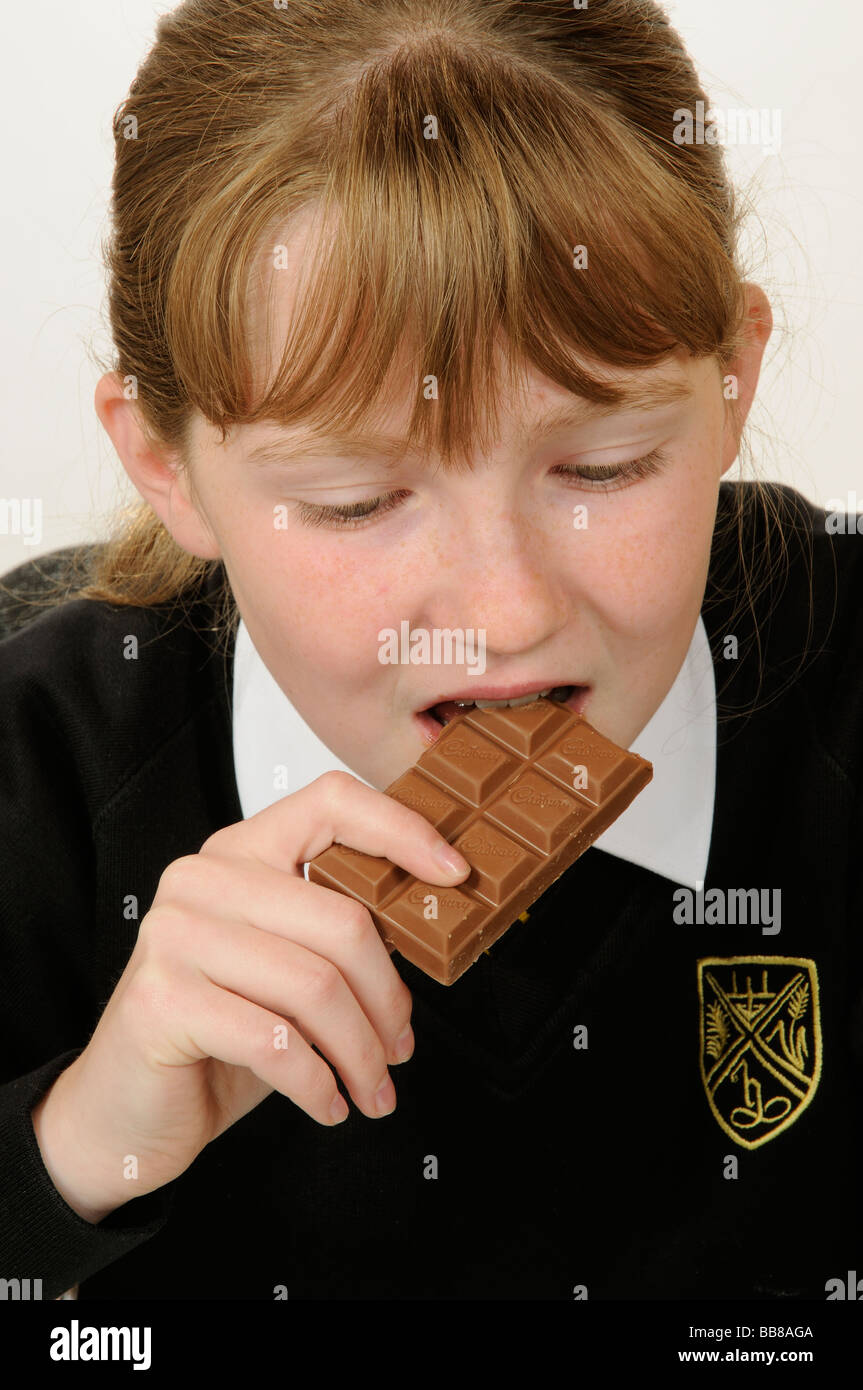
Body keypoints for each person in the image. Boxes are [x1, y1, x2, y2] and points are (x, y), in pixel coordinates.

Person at [1, 0, 860, 1302]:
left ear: (734, 380)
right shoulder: (36, 765)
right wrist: (72, 1147)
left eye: (603, 464)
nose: (506, 610)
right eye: (356, 498)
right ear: (165, 464)